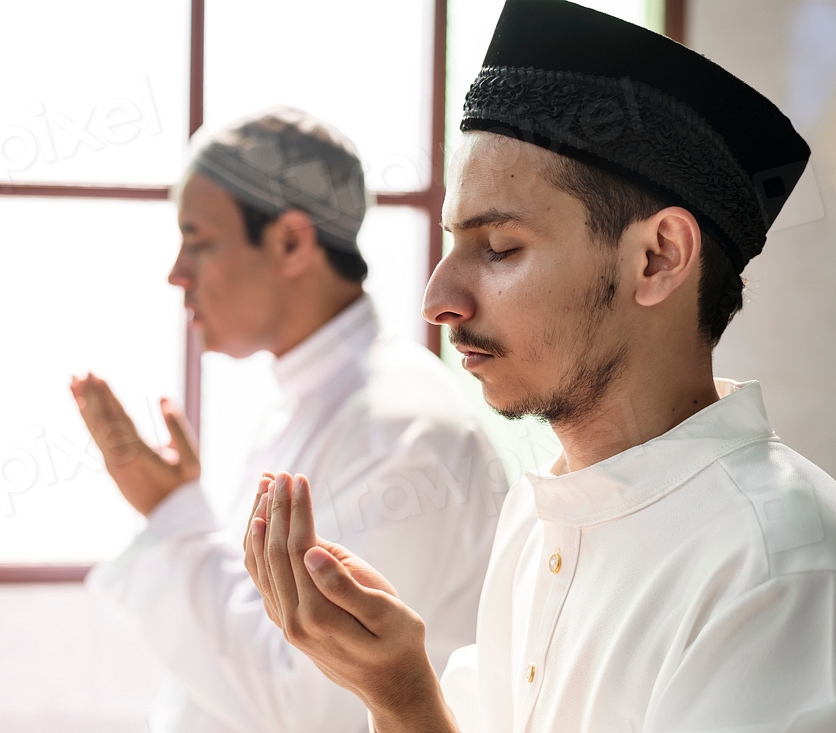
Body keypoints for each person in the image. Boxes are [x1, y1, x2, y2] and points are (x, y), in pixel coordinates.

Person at [243, 3, 836, 732]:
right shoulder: (541, 512)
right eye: (451, 243)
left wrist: (405, 696)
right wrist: (393, 689)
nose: (438, 300)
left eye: (499, 248)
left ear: (657, 259)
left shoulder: (777, 562)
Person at [70, 107, 507, 733]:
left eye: (199, 240)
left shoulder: (405, 433)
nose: (176, 272)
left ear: (291, 242)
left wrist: (171, 512)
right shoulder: (304, 402)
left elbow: (314, 708)